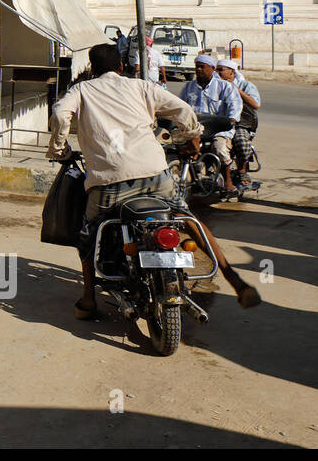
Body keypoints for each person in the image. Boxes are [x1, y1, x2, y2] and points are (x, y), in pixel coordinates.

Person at [48, 43, 260, 319]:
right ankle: (236, 281)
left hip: (109, 182)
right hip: (155, 175)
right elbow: (182, 110)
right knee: (186, 218)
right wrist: (191, 137)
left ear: (91, 70)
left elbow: (60, 114)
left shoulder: (81, 90)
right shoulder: (140, 86)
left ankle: (88, 298)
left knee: (88, 232)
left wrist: (58, 150)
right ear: (121, 67)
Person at [180, 54, 242, 196]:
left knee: (219, 148)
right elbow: (181, 105)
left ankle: (228, 182)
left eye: (202, 67)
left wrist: (231, 119)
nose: (199, 70)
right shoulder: (189, 87)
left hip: (219, 129)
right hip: (195, 129)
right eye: (197, 67)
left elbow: (235, 105)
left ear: (212, 69)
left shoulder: (224, 86)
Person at [215, 57, 262, 199]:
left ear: (232, 72)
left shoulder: (245, 85)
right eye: (216, 70)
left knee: (240, 140)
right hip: (219, 120)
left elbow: (255, 105)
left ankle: (242, 172)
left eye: (221, 70)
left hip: (242, 122)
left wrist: (236, 90)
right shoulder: (215, 85)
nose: (218, 73)